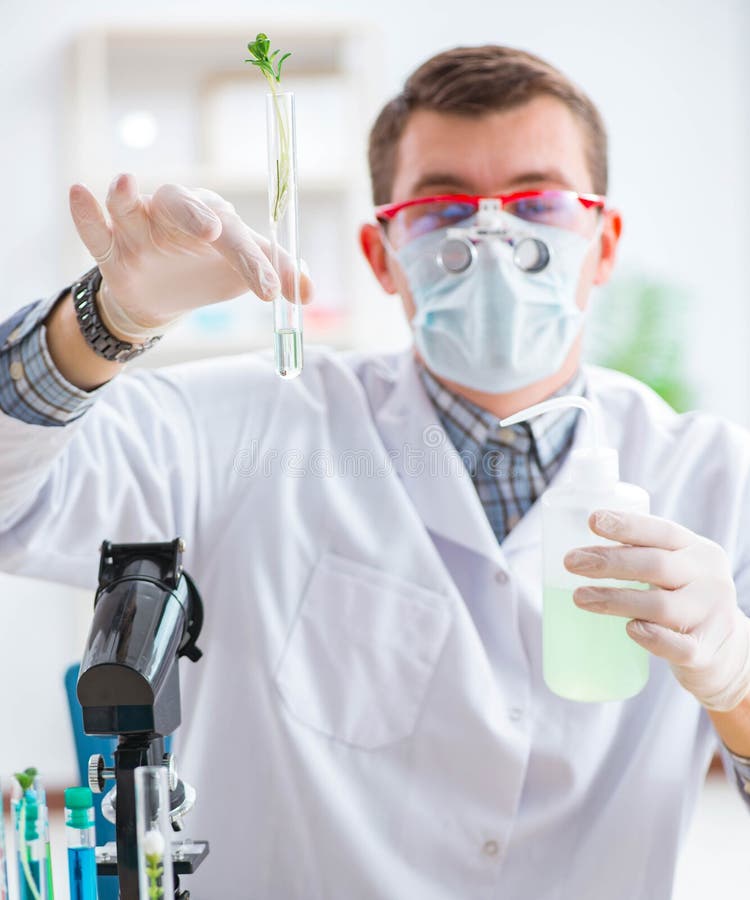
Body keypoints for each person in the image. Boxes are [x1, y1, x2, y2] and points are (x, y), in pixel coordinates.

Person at [1, 44, 749, 900]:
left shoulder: (716, 477)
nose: (493, 235)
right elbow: (11, 501)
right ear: (382, 254)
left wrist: (736, 678)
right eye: (441, 209)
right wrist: (106, 320)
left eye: (539, 201)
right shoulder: (250, 427)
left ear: (603, 240)